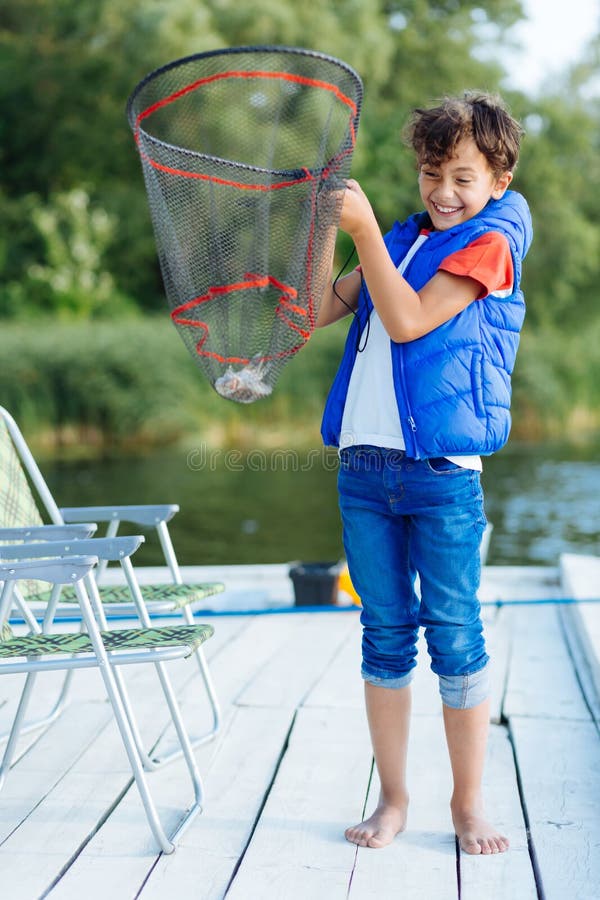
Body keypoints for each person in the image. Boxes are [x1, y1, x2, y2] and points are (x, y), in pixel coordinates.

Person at [316, 92, 533, 855]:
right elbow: (315, 309)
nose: (444, 191)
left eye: (463, 177)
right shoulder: (404, 238)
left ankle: (468, 806)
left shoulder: (490, 245)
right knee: (383, 635)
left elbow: (407, 319)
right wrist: (323, 228)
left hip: (441, 477)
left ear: (498, 181)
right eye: (431, 173)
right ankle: (395, 798)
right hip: (365, 471)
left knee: (455, 636)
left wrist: (365, 230)